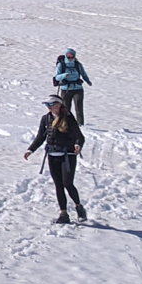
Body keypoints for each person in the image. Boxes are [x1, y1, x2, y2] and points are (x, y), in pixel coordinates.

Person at [23, 94, 86, 223]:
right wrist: (30, 149)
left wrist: (77, 145)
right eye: (47, 105)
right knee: (58, 185)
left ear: (58, 105)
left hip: (67, 155)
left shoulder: (68, 118)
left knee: (67, 183)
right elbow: (40, 137)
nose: (48, 107)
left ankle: (79, 207)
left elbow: (79, 136)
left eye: (51, 104)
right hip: (52, 156)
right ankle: (63, 213)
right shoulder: (45, 119)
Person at [53, 48, 93, 125]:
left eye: (72, 56)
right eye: (68, 56)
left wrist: (88, 81)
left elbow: (83, 74)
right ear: (65, 55)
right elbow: (57, 77)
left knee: (79, 108)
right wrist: (64, 75)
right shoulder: (61, 65)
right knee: (65, 108)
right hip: (65, 89)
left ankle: (80, 124)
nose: (70, 58)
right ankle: (65, 124)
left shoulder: (78, 65)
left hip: (78, 88)